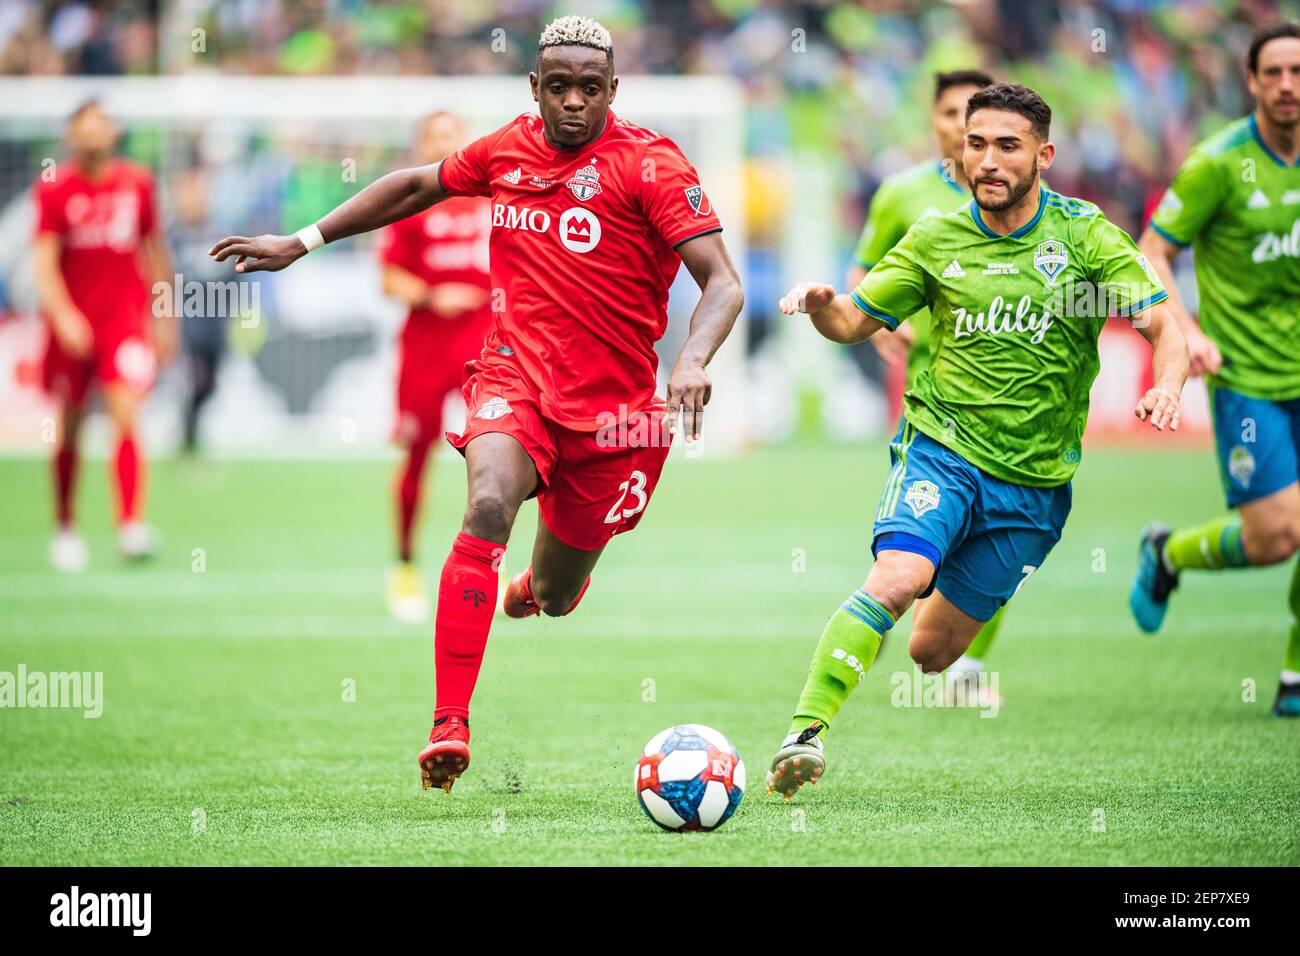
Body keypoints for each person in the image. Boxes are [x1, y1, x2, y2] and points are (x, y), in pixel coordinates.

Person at [210, 16, 743, 792]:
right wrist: (303, 240)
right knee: (488, 503)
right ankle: (449, 723)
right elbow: (419, 184)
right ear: (534, 88)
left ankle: (533, 589)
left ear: (613, 92)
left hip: (618, 416)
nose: (571, 103)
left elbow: (722, 280)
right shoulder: (507, 149)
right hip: (513, 379)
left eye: (588, 90)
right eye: (556, 87)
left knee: (557, 596)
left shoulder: (652, 166)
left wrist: (692, 360)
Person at [767, 83, 1188, 799]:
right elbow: (851, 324)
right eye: (975, 144)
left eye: (1007, 146)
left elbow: (1162, 327)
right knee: (898, 576)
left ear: (1044, 156)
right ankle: (804, 734)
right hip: (941, 448)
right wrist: (820, 307)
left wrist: (1168, 385)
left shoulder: (1086, 237)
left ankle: (946, 565)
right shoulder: (936, 238)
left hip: (1034, 485)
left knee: (932, 655)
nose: (987, 161)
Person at [1129, 23, 1300, 717]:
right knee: (1275, 539)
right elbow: (1152, 250)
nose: (1289, 85)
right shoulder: (1218, 164)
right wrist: (1185, 329)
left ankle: (1294, 675)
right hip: (1250, 378)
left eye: (1299, 71)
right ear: (1253, 82)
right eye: (1275, 73)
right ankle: (1168, 553)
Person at [847, 68, 1005, 706]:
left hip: (1007, 409)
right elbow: (863, 277)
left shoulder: (1023, 203)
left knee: (993, 548)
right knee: (916, 551)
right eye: (949, 113)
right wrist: (879, 326)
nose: (959, 125)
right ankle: (874, 634)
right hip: (931, 406)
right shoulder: (902, 195)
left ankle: (961, 664)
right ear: (936, 122)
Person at [34, 99, 176, 570]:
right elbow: (44, 260)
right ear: (71, 136)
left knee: (126, 413)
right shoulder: (55, 189)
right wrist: (63, 315)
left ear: (114, 132)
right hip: (74, 324)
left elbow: (156, 253)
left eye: (101, 126)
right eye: (85, 127)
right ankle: (66, 524)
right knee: (69, 423)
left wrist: (165, 316)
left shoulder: (138, 183)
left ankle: (130, 524)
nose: (94, 135)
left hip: (124, 321)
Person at [378, 111, 492, 624]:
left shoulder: (490, 199)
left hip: (484, 345)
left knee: (498, 453)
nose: (444, 146)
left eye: (452, 138)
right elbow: (387, 279)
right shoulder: (409, 205)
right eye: (435, 139)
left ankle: (488, 563)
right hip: (425, 345)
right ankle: (404, 568)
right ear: (420, 144)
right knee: (417, 453)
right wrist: (430, 293)